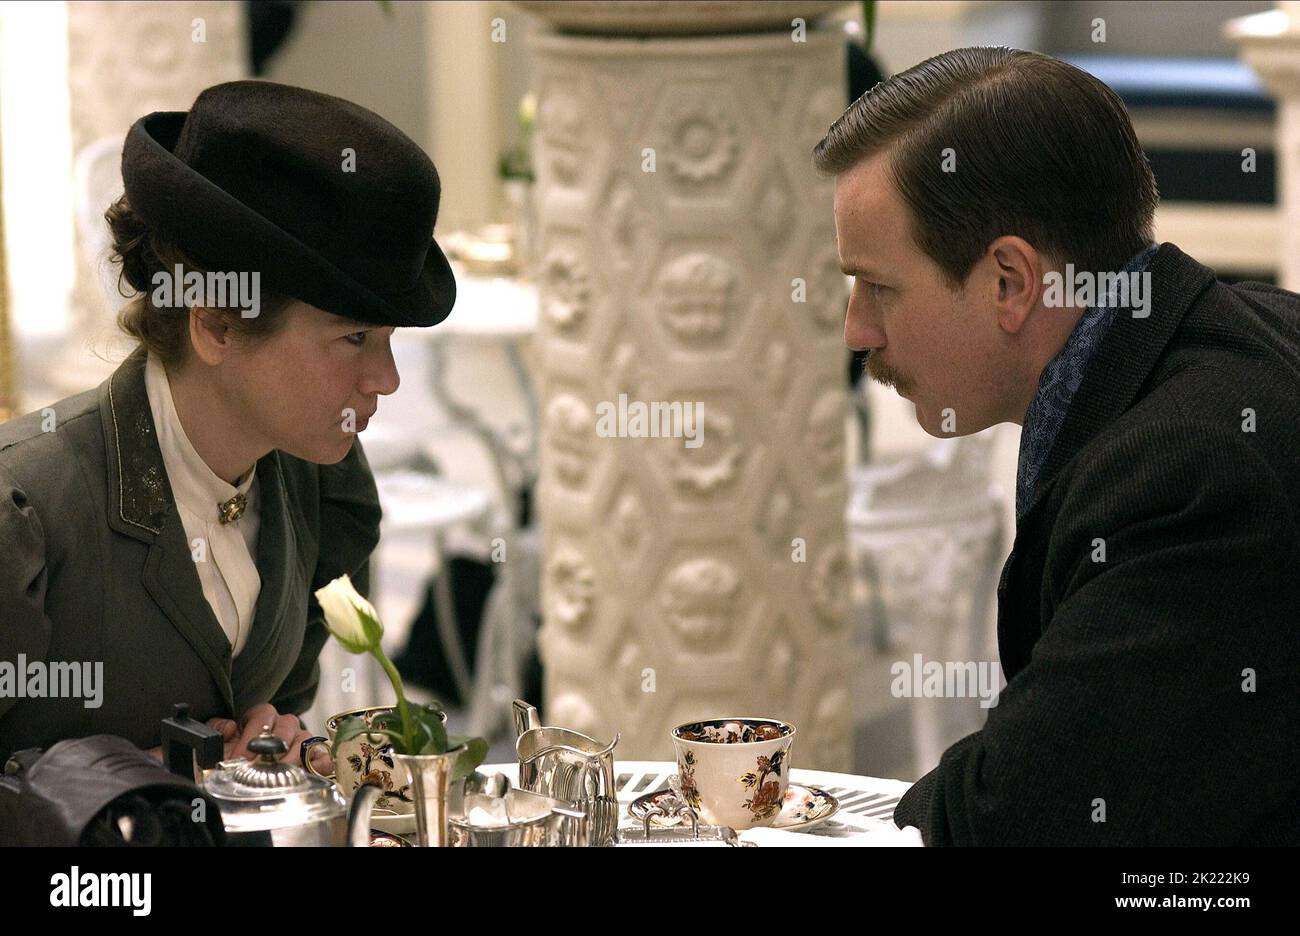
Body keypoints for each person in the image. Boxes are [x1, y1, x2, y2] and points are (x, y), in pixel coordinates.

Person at [814, 47, 1300, 845]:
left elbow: (1018, 814)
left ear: (1009, 280)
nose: (857, 330)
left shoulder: (1186, 473)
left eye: (879, 286)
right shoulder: (1258, 325)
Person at [0, 80, 457, 769]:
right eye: (355, 338)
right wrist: (121, 781)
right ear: (215, 323)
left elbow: (274, 708)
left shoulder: (320, 480)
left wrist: (272, 739)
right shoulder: (26, 512)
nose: (386, 380)